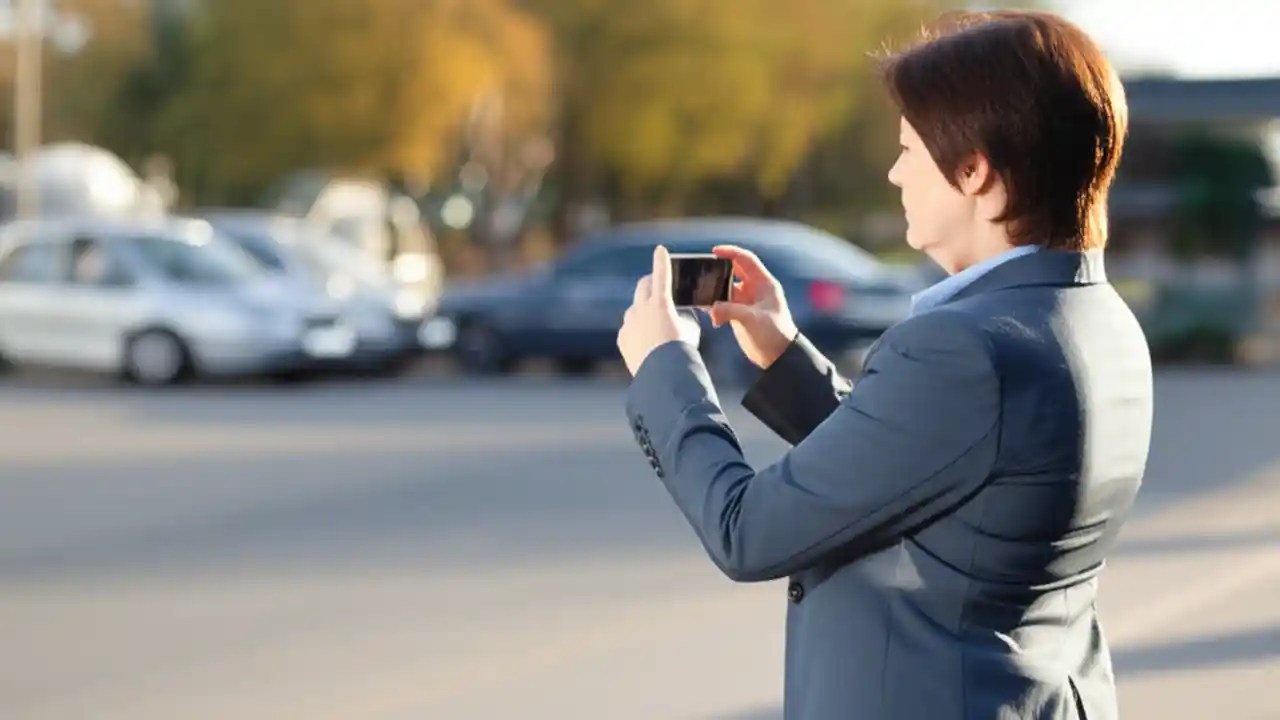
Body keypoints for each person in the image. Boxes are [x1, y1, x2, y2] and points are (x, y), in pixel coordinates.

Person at [616, 10, 1152, 720]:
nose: (895, 171)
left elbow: (747, 531)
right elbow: (936, 467)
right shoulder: (1096, 318)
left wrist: (666, 367)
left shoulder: (965, 349)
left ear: (975, 171)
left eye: (908, 147)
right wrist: (782, 354)